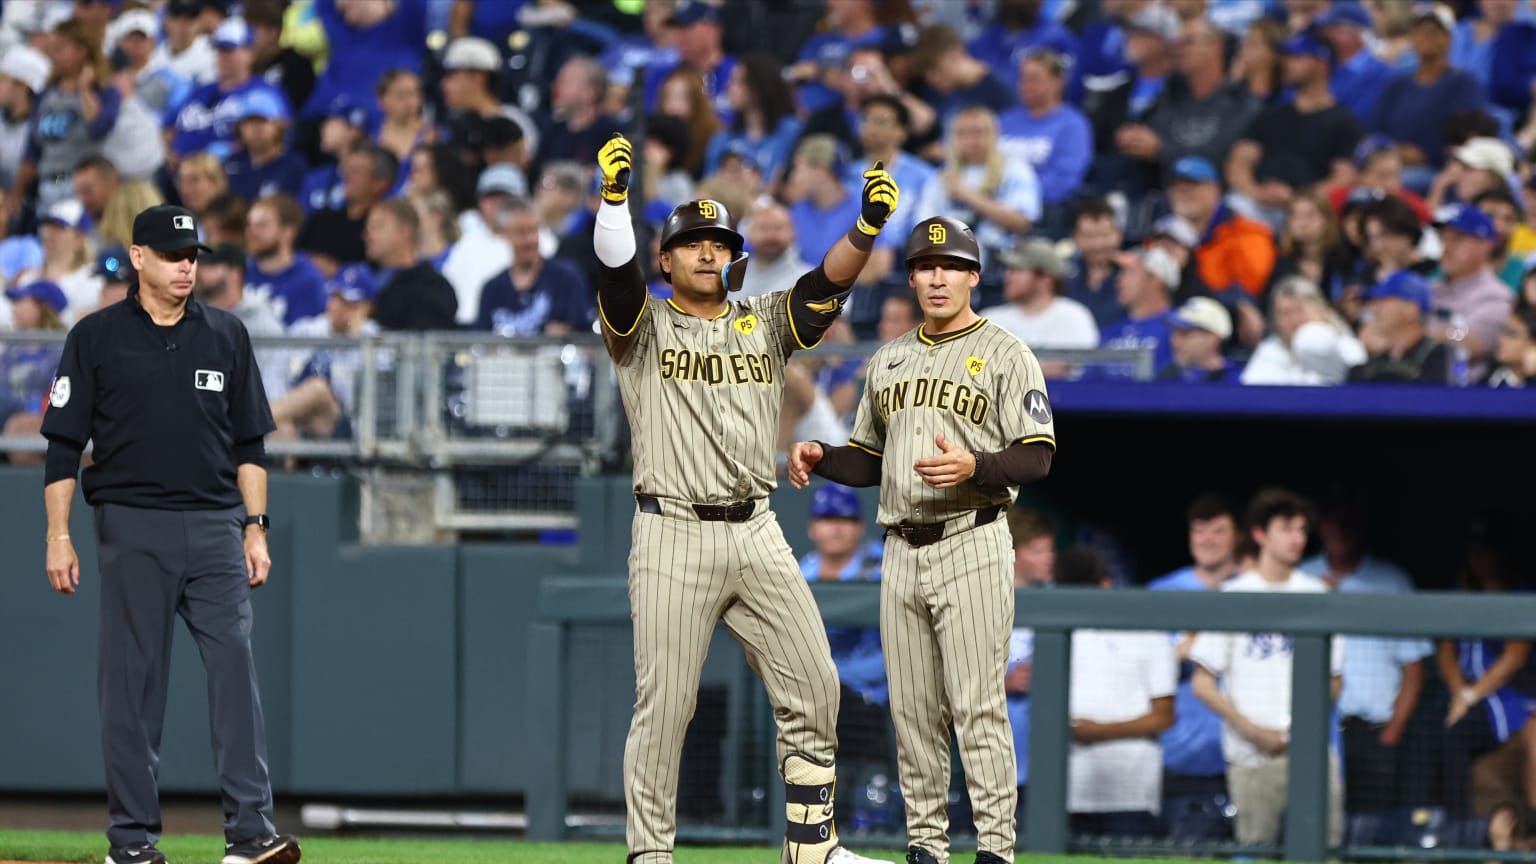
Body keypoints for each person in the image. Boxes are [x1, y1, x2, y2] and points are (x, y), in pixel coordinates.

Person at [591, 132, 898, 864]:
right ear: (664, 258)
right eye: (690, 242)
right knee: (666, 706)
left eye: (716, 241)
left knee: (816, 688)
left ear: (733, 255)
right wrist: (613, 203)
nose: (705, 252)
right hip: (672, 529)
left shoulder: (761, 321)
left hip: (755, 526)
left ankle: (810, 847)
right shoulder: (643, 326)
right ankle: (651, 854)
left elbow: (824, 290)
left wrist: (864, 229)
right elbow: (613, 277)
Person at [789, 215, 1056, 864]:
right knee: (911, 713)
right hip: (900, 549)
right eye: (926, 266)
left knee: (976, 707)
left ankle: (995, 850)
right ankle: (927, 848)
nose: (938, 276)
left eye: (951, 266)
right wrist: (822, 455)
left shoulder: (1006, 352)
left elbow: (1038, 456)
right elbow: (867, 461)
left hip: (972, 536)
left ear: (973, 276)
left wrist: (976, 467)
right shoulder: (889, 359)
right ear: (911, 278)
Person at [38, 204, 299, 864]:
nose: (187, 263)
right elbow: (63, 447)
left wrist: (256, 528)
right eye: (173, 252)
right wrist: (58, 535)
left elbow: (251, 445)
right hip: (131, 525)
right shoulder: (95, 337)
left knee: (236, 674)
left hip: (216, 525)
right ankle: (131, 842)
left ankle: (250, 834)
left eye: (193, 254)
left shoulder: (226, 334)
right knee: (133, 687)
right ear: (138, 257)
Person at [1189, 489, 1344, 848]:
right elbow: (1203, 682)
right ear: (1260, 535)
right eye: (1287, 528)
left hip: (1311, 751)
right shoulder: (1233, 597)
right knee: (1254, 849)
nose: (1297, 539)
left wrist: (1298, 727)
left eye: (1303, 530)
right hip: (1251, 753)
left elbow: (1334, 680)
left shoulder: (1318, 594)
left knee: (1326, 850)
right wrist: (1253, 730)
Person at [1299, 497, 1432, 834]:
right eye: (1332, 520)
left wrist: (1392, 734)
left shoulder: (1391, 582)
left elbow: (1414, 671)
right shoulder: (1300, 578)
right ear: (1319, 526)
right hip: (1314, 731)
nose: (1340, 529)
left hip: (1374, 734)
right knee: (1314, 831)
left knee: (1369, 836)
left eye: (1348, 521)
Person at [1062, 546, 1177, 838]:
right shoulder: (1058, 632)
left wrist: (1097, 731)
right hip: (1067, 788)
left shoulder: (1148, 632)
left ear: (1107, 585)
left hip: (1132, 793)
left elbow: (1163, 717)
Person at [1149, 493, 1244, 842]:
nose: (1207, 540)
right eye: (1199, 530)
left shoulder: (1252, 588)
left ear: (1238, 537)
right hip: (1180, 751)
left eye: (1218, 531)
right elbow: (1148, 666)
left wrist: (1193, 645)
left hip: (1245, 747)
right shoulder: (1163, 591)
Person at [797, 483, 893, 822]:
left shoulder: (882, 569)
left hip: (873, 702)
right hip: (815, 701)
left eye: (846, 519)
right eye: (827, 518)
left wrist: (837, 679)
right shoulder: (796, 574)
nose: (836, 526)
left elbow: (895, 655)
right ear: (812, 527)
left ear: (859, 527)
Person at [475, 197, 590, 336]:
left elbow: (582, 336)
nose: (529, 240)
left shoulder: (566, 278)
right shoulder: (492, 290)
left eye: (533, 231)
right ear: (505, 235)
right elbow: (481, 343)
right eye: (521, 233)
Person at [981, 237, 1100, 355]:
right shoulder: (990, 319)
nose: (1008, 276)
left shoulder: (1074, 316)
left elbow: (1080, 368)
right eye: (1008, 270)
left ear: (1045, 278)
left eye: (1017, 270)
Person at [1241, 276, 1366, 385]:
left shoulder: (1345, 344)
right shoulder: (1269, 350)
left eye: (1298, 311)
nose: (1293, 320)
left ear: (1319, 310)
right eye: (1284, 314)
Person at [363, 199, 456, 332]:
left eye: (377, 226)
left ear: (404, 232)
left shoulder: (432, 287)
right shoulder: (361, 279)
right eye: (368, 227)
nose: (368, 234)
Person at [1350, 270, 1451, 383]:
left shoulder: (1439, 357)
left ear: (1411, 309)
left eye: (1382, 300)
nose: (1374, 308)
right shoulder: (1370, 366)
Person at [245, 194, 327, 328]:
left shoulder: (308, 280)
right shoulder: (241, 272)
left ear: (288, 232)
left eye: (262, 225)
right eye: (249, 224)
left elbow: (306, 341)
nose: (251, 232)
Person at [738, 201, 810, 300]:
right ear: (749, 233)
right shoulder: (732, 277)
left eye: (778, 228)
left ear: (793, 232)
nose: (771, 236)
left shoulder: (808, 282)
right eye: (763, 228)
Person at [1160, 296, 1239, 382]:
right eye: (1174, 331)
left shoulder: (1241, 381)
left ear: (1214, 338)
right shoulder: (1165, 378)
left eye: (1184, 333)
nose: (1174, 340)